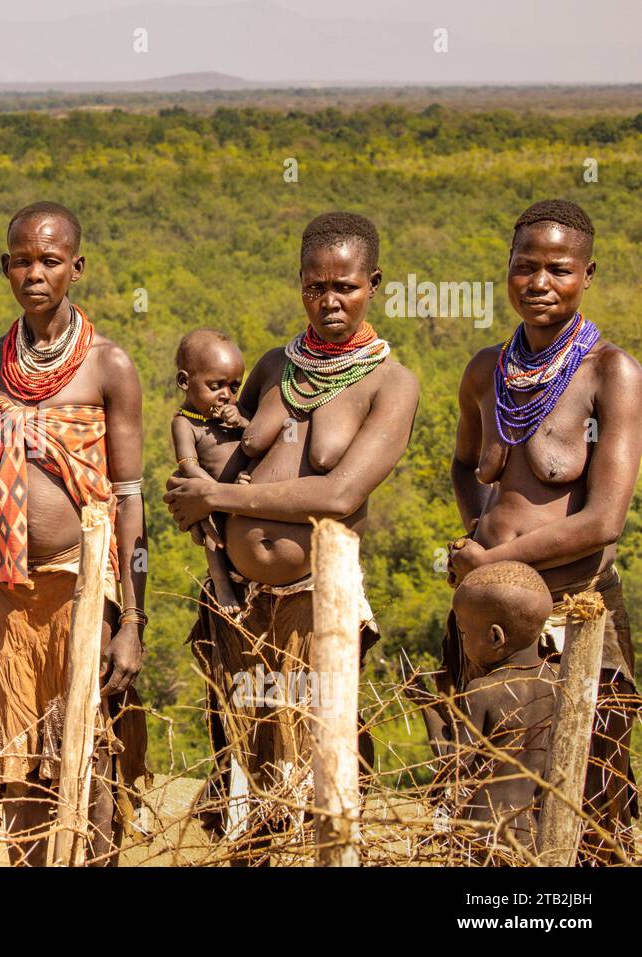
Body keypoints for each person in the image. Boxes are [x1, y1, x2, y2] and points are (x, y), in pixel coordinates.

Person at [164, 211, 418, 852]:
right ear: (299, 284)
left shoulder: (392, 384)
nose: (329, 301)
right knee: (244, 771)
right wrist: (190, 487)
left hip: (316, 605)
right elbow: (234, 449)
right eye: (315, 286)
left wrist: (214, 495)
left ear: (374, 283)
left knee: (316, 768)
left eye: (345, 287)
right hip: (241, 606)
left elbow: (340, 494)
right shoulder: (277, 364)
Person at [0, 201, 149, 866]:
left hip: (81, 590)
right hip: (3, 598)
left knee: (91, 757)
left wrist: (134, 619)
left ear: (77, 268)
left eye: (50, 260)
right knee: (19, 764)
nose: (34, 272)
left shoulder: (108, 366)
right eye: (21, 260)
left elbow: (129, 498)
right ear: (5, 267)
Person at [448, 198, 641, 863]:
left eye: (558, 269)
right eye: (524, 266)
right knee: (488, 792)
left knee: (590, 787)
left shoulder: (610, 374)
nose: (538, 283)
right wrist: (479, 540)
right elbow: (463, 463)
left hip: (575, 613)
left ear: (588, 274)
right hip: (490, 620)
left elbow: (603, 520)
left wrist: (495, 559)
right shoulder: (485, 371)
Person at [430, 561, 557, 861]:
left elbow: (454, 764)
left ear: (495, 637)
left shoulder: (482, 691)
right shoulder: (562, 680)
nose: (461, 641)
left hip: (485, 836)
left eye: (463, 633)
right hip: (543, 835)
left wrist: (430, 710)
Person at [170, 329, 252, 616]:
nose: (226, 396)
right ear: (185, 381)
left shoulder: (235, 411)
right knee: (212, 535)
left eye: (234, 387)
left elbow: (258, 437)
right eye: (216, 386)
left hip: (247, 491)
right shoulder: (185, 423)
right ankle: (222, 586)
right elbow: (188, 465)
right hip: (214, 498)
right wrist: (218, 491)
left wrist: (242, 421)